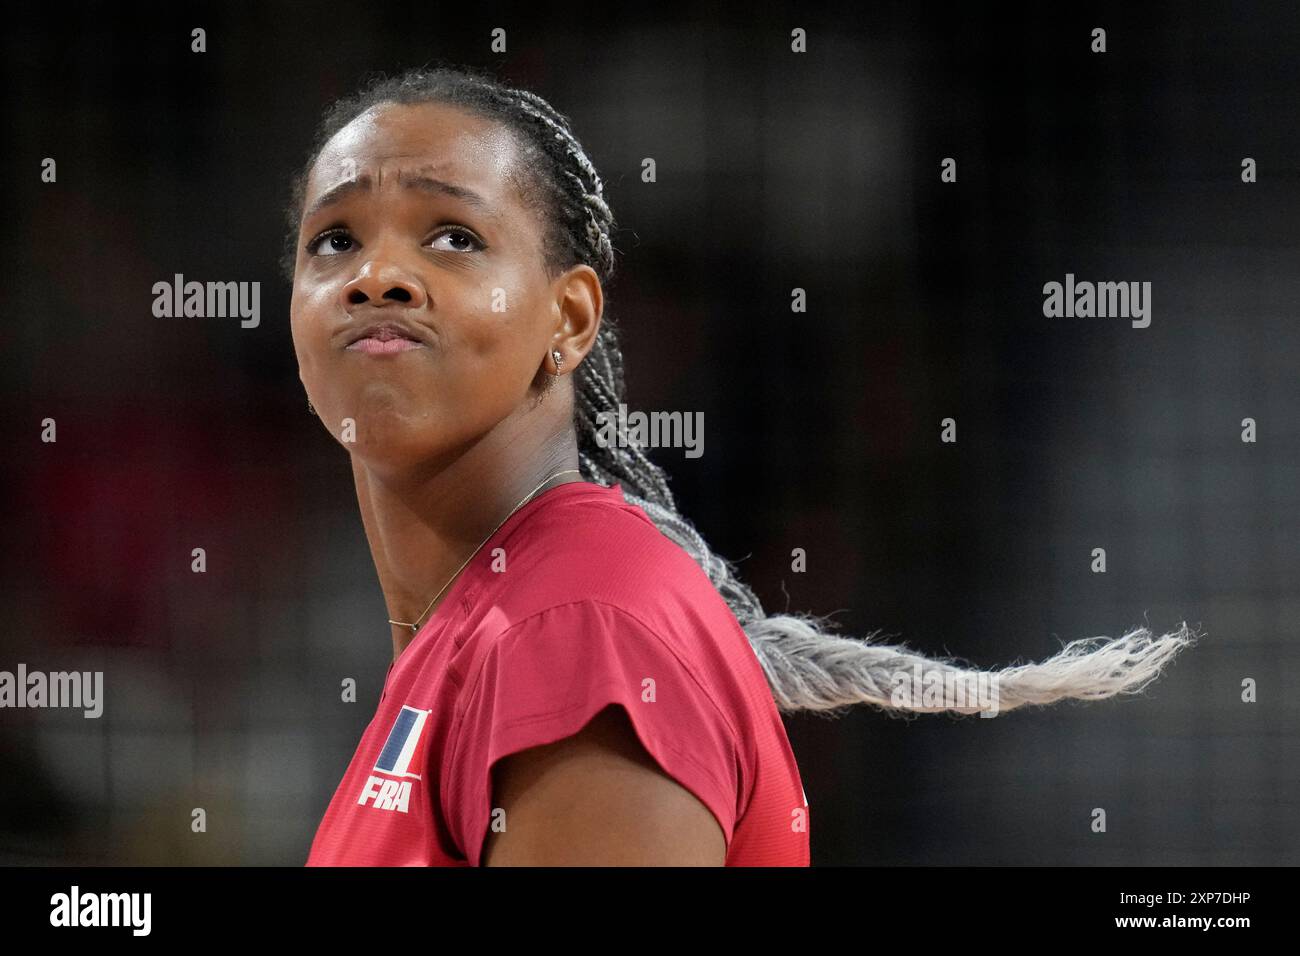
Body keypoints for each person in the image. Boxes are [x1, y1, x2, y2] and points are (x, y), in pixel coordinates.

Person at [283, 64, 1196, 866]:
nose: (379, 276)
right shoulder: (499, 620)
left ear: (569, 320)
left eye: (453, 236)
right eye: (336, 241)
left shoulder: (578, 632)